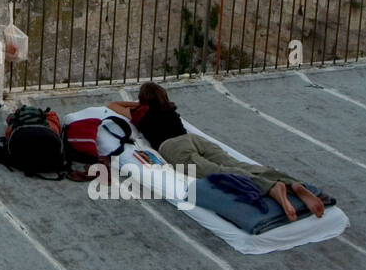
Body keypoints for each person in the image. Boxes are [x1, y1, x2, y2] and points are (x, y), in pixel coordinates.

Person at [108, 82, 325, 222]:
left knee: (220, 172)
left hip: (172, 147)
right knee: (239, 163)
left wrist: (138, 103)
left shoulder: (142, 112)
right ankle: (292, 184)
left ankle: (273, 189)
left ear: (144, 100)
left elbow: (113, 104)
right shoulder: (170, 109)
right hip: (193, 139)